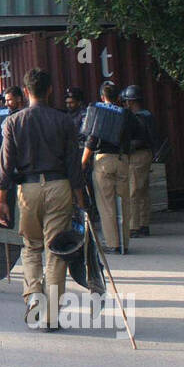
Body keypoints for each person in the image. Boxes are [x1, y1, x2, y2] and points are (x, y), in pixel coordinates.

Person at [0, 68, 87, 329]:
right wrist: (80, 200)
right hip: (60, 186)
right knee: (57, 250)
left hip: (29, 189)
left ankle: (34, 298)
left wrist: (1, 199)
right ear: (49, 91)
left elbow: (5, 164)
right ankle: (51, 316)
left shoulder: (13, 122)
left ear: (25, 92)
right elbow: (73, 165)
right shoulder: (65, 121)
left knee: (31, 246)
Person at [81, 81, 138, 255]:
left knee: (106, 204)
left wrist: (82, 163)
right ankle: (124, 243)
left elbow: (91, 141)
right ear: (118, 97)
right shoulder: (126, 114)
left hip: (103, 161)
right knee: (124, 202)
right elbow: (137, 134)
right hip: (123, 160)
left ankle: (113, 244)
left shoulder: (98, 111)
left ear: (102, 96)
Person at [122, 85, 157, 238]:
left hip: (137, 155)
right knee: (143, 191)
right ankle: (143, 224)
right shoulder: (147, 115)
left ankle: (133, 226)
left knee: (133, 191)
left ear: (130, 102)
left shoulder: (136, 117)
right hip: (146, 154)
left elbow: (139, 139)